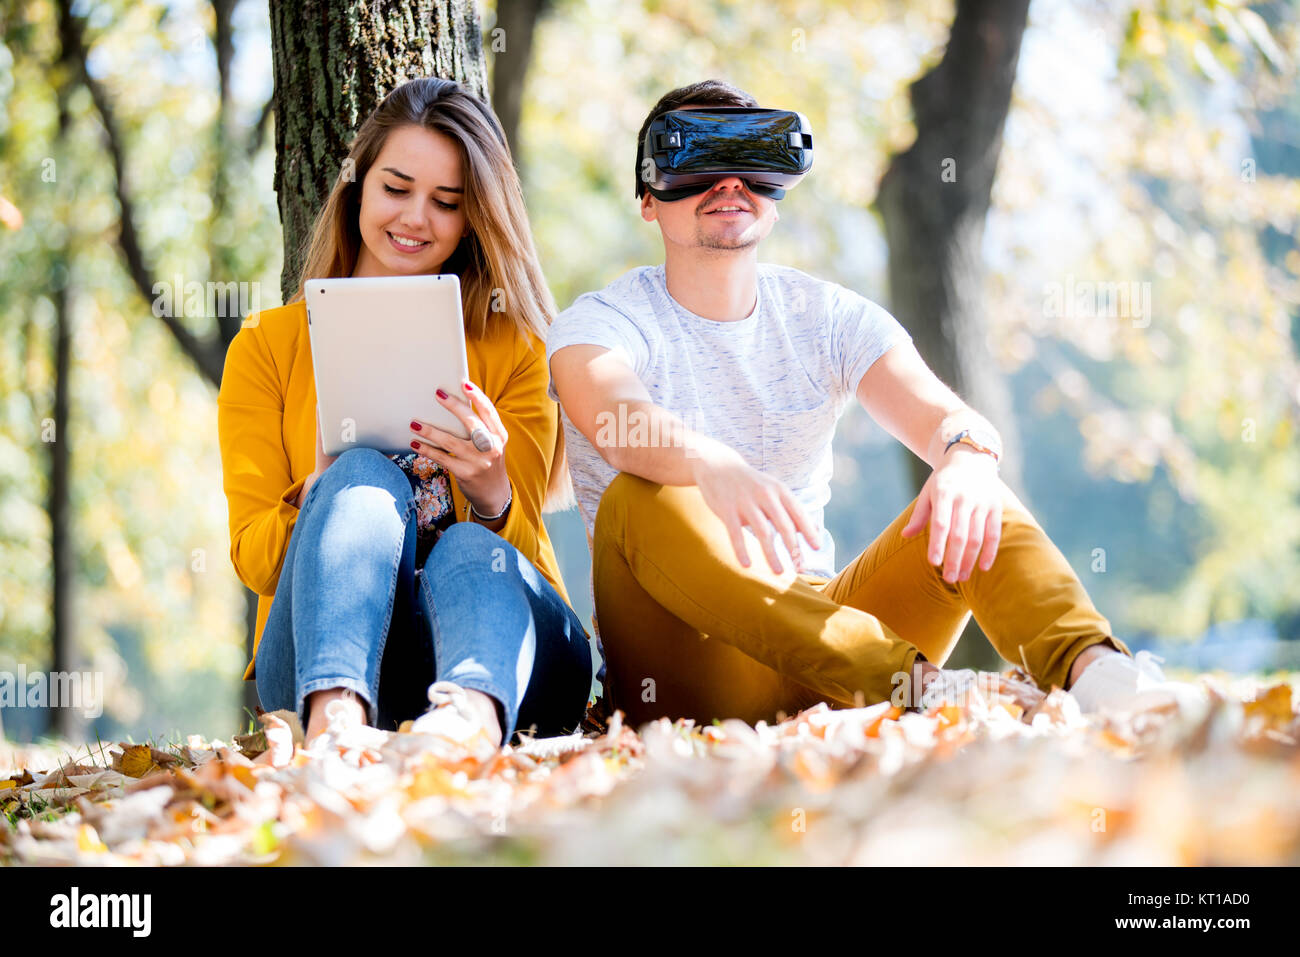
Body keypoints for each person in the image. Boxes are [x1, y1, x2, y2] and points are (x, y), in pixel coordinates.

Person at [547, 79, 1205, 727]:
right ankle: (923, 688)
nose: (728, 184)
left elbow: (948, 419)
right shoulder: (601, 322)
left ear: (779, 195)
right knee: (641, 497)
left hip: (824, 658)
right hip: (687, 672)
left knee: (970, 482)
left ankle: (1104, 679)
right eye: (695, 157)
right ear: (647, 198)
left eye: (754, 161)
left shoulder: (827, 316)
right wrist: (707, 461)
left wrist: (968, 460)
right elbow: (614, 419)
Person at [218, 78, 592, 753]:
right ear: (356, 185)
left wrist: (491, 493)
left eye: (446, 203)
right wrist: (322, 496)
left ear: (474, 216)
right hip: (320, 659)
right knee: (359, 472)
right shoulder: (267, 348)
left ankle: (465, 728)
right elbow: (253, 557)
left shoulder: (517, 348)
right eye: (396, 189)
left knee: (470, 547)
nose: (416, 218)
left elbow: (525, 554)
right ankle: (335, 729)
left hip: (507, 656)